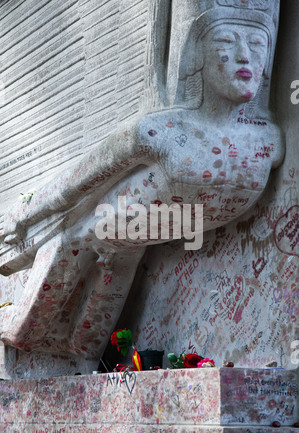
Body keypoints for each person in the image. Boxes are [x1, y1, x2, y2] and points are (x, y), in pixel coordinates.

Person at [0, 1, 283, 360]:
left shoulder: (268, 142)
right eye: (227, 41)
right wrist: (25, 215)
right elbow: (79, 181)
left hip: (134, 244)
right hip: (85, 238)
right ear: (197, 55)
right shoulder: (160, 131)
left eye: (258, 44)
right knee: (24, 332)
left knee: (85, 349)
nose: (246, 56)